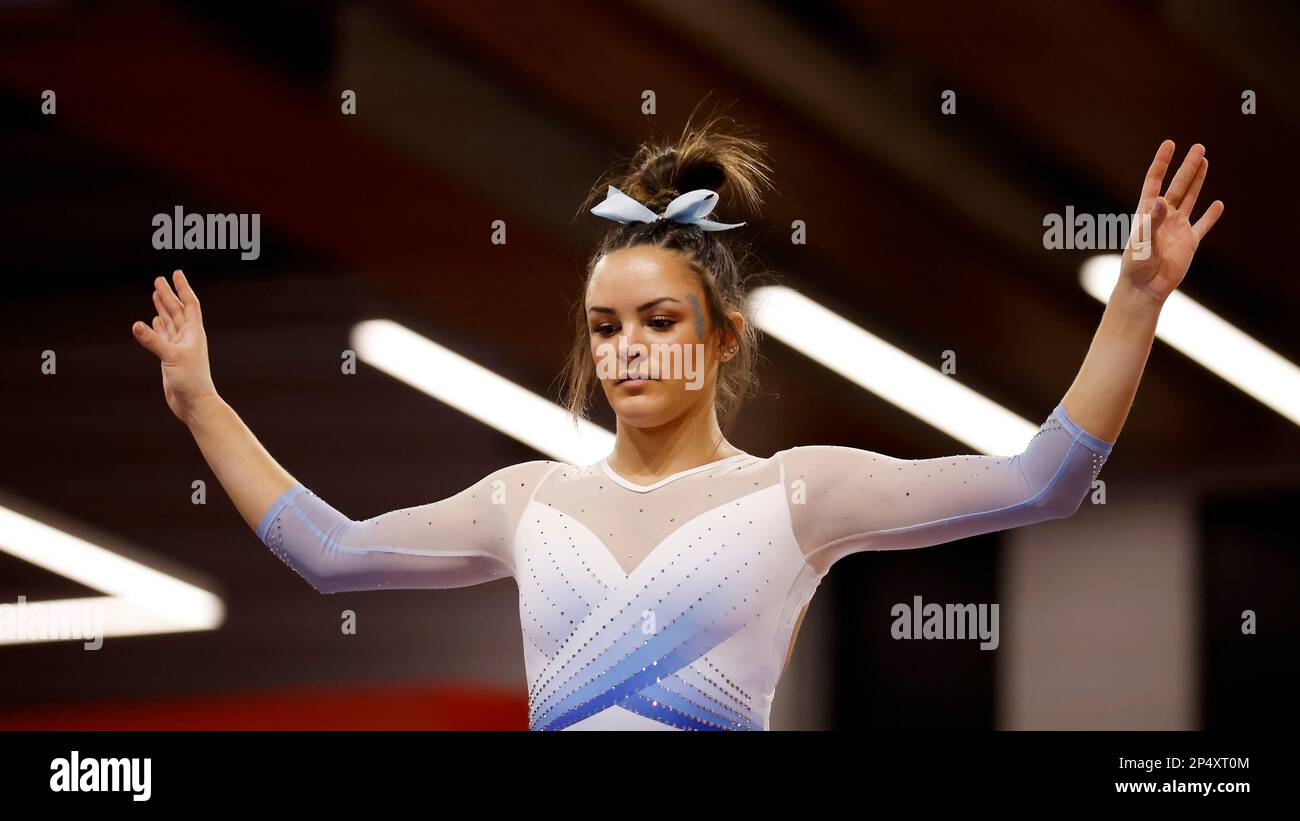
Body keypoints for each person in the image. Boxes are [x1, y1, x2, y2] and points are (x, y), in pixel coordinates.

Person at [131, 112, 1223, 731]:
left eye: (659, 319)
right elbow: (331, 551)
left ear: (720, 340)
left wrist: (1131, 305)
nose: (628, 348)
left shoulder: (794, 494)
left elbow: (1041, 479)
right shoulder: (527, 501)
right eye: (604, 327)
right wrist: (203, 402)